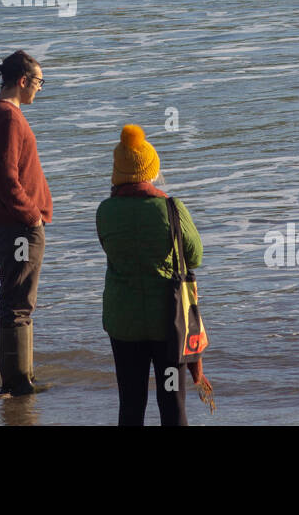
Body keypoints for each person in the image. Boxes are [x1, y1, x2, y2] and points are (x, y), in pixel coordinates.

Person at [96, 124, 202, 426]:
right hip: (168, 324)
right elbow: (195, 256)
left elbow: (110, 249)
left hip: (123, 323)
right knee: (172, 403)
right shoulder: (170, 208)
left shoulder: (105, 211)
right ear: (150, 171)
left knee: (130, 404)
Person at [0, 50, 52, 396]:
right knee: (18, 304)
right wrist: (32, 216)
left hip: (2, 219)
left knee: (13, 300)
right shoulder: (8, 118)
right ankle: (19, 383)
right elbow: (7, 181)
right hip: (16, 225)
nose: (38, 89)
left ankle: (21, 378)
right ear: (22, 81)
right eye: (37, 82)